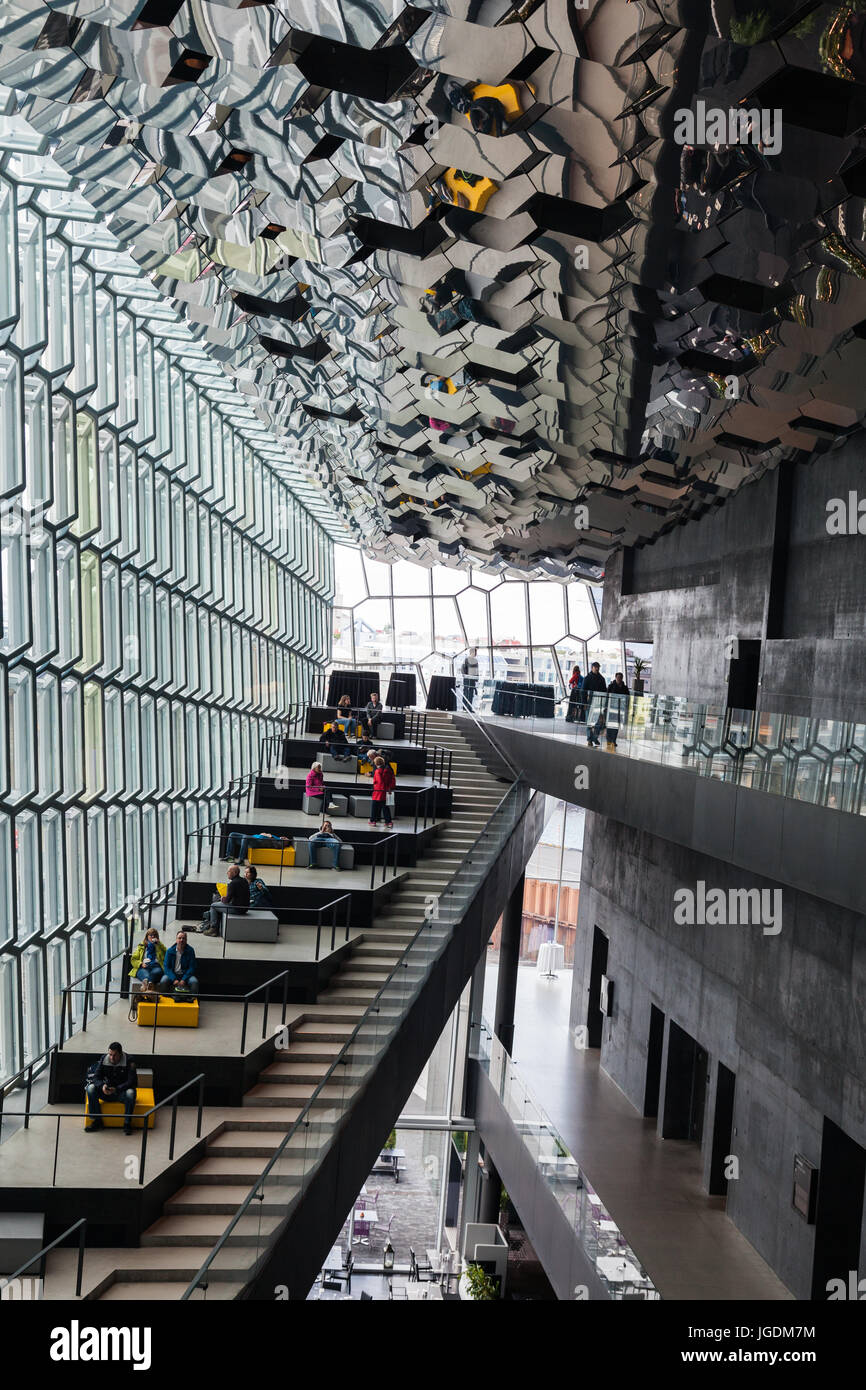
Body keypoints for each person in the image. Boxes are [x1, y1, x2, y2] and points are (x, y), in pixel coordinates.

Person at [85, 1043, 138, 1135]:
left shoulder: (129, 1060)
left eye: (114, 1055)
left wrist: (117, 1089)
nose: (112, 1058)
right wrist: (102, 1086)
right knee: (90, 1088)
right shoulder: (104, 1058)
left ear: (120, 1054)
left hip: (122, 1093)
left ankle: (127, 1123)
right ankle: (97, 1121)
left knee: (130, 1093)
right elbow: (96, 1077)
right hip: (107, 1091)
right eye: (110, 1054)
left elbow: (132, 1081)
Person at [203, 864, 250, 937]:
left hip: (237, 909)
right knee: (218, 904)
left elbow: (227, 900)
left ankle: (213, 929)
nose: (227, 873)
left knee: (213, 905)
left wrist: (222, 898)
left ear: (234, 873)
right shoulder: (244, 880)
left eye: (229, 871)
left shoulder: (233, 883)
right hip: (245, 908)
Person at [223, 830, 291, 864]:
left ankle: (241, 860)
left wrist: (270, 836)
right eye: (285, 837)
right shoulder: (277, 838)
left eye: (285, 839)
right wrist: (263, 834)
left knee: (245, 837)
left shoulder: (280, 843)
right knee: (232, 834)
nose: (284, 837)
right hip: (253, 837)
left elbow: (277, 846)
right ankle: (230, 856)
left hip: (258, 842)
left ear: (286, 843)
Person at [581, 662, 608, 747]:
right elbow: (583, 692)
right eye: (595, 667)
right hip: (589, 703)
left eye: (598, 667)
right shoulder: (587, 678)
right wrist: (584, 703)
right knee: (589, 722)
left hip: (599, 703)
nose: (597, 668)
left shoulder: (601, 679)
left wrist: (604, 704)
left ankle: (595, 738)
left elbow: (604, 692)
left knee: (598, 723)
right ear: (592, 667)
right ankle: (589, 740)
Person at [605, 673, 629, 750]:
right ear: (615, 677)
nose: (619, 679)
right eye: (618, 677)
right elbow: (607, 696)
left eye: (620, 677)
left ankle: (613, 740)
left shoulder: (625, 688)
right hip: (611, 708)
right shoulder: (611, 686)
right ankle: (609, 740)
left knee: (616, 725)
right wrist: (606, 706)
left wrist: (626, 708)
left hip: (620, 709)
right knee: (610, 725)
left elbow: (627, 698)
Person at [370, 757, 396, 828]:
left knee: (374, 807)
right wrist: (389, 788)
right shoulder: (389, 770)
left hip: (378, 791)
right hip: (386, 791)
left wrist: (379, 788)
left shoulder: (377, 771)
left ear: (376, 763)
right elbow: (392, 780)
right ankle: (388, 822)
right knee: (385, 807)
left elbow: (378, 781)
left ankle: (373, 821)